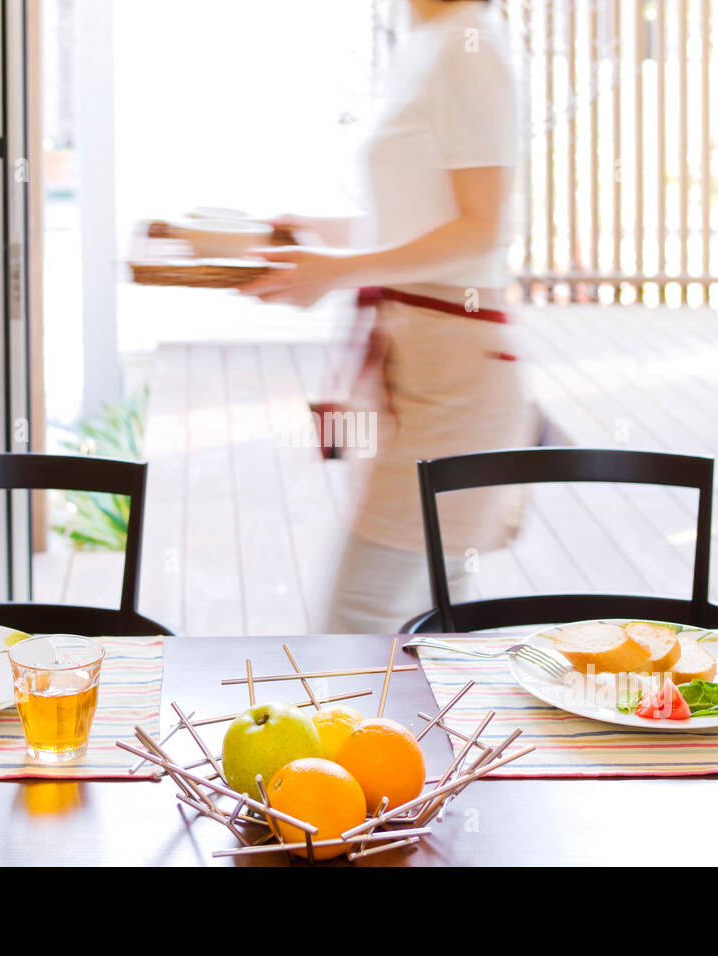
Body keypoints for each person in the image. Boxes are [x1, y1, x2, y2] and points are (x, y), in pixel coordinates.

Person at [242, 0, 534, 633]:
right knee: (429, 613)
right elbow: (419, 220)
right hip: (422, 364)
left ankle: (388, 734)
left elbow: (481, 231)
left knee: (362, 614)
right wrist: (319, 235)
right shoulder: (428, 43)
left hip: (454, 376)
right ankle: (424, 733)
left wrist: (335, 270)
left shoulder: (468, 44)